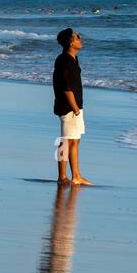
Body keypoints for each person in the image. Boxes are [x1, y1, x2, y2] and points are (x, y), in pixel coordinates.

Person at [53, 28, 92, 186]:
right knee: (66, 141)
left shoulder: (71, 58)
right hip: (69, 107)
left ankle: (73, 175)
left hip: (74, 106)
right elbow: (67, 88)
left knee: (73, 141)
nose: (80, 39)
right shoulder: (65, 61)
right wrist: (75, 108)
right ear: (71, 42)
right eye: (77, 37)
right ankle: (66, 176)